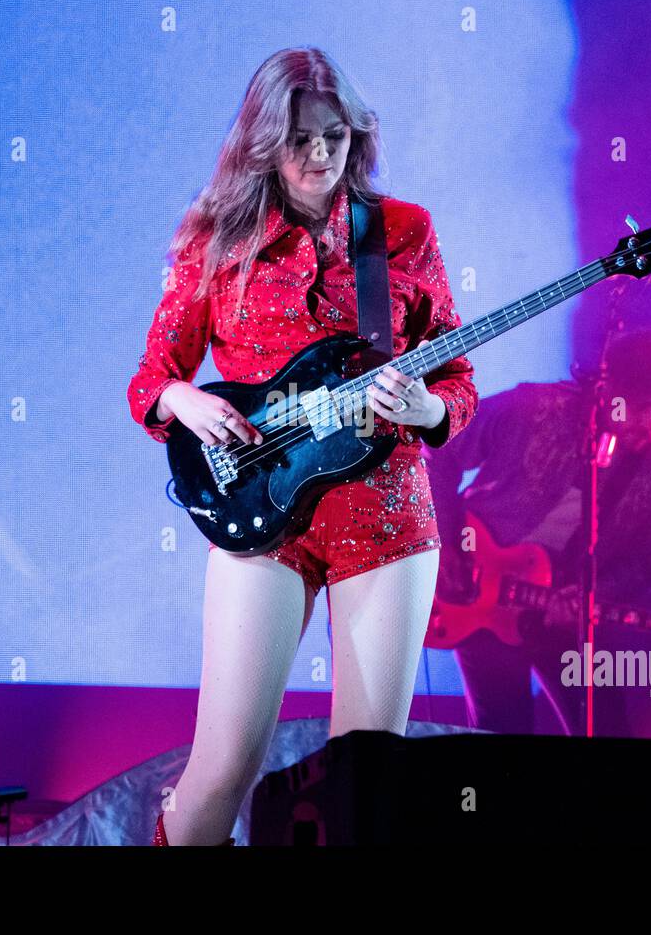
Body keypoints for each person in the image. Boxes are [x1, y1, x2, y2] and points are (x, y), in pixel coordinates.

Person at [126, 47, 477, 845]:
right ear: (262, 145)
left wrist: (425, 408)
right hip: (260, 514)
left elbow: (457, 378)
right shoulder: (218, 238)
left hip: (384, 515)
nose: (320, 156)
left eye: (335, 136)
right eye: (299, 140)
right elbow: (154, 374)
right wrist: (182, 399)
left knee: (365, 777)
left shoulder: (403, 233)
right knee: (219, 772)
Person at [424, 328, 651, 738]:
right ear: (607, 391)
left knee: (608, 741)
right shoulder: (535, 408)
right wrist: (447, 552)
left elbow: (650, 565)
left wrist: (594, 591)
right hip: (479, 591)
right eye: (637, 406)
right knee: (503, 740)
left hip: (567, 613)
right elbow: (439, 446)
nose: (648, 423)